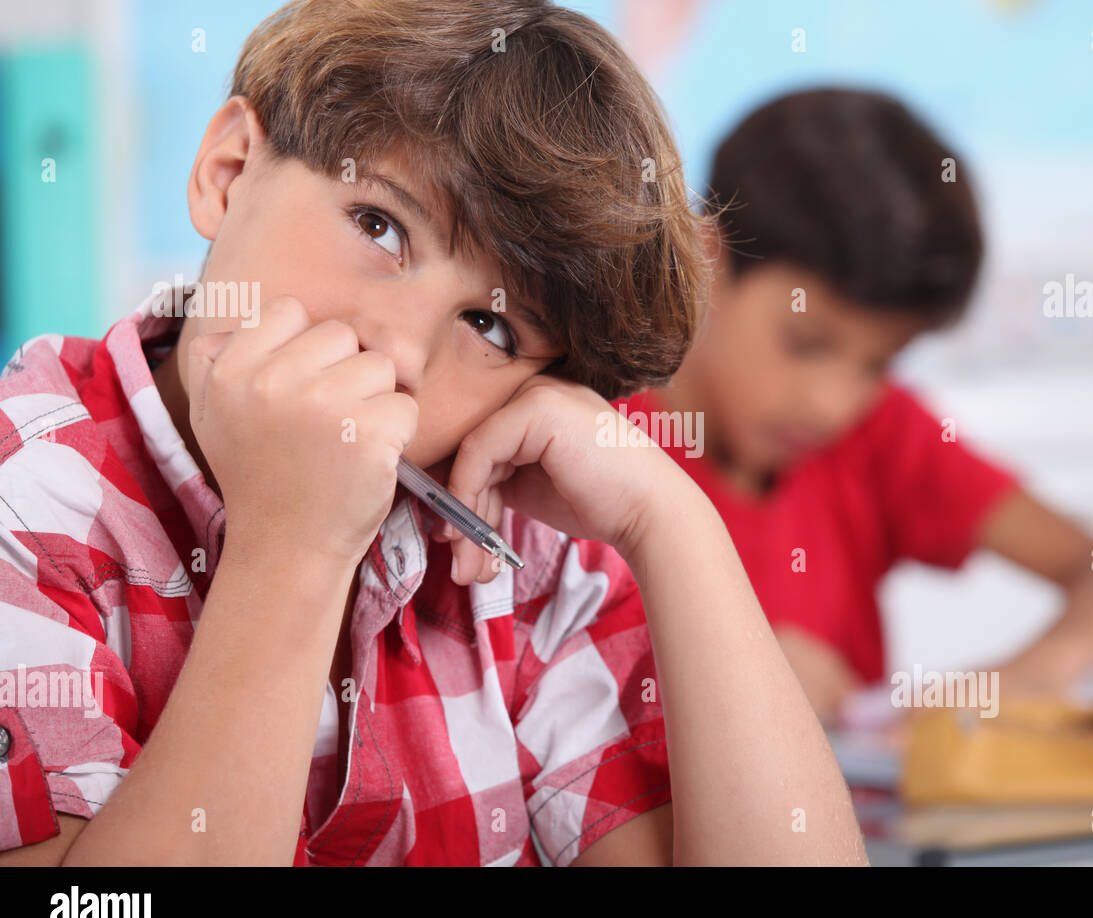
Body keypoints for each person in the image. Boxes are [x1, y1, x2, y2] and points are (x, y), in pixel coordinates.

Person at [0, 1, 866, 866]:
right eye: (379, 225)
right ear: (228, 172)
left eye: (491, 329)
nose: (402, 350)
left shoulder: (524, 544)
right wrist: (293, 548)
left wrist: (671, 525)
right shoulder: (28, 504)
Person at [618, 88, 1093, 725]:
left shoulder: (879, 432)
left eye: (879, 362)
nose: (833, 404)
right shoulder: (592, 448)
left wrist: (1034, 673)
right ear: (706, 255)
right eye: (807, 343)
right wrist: (723, 668)